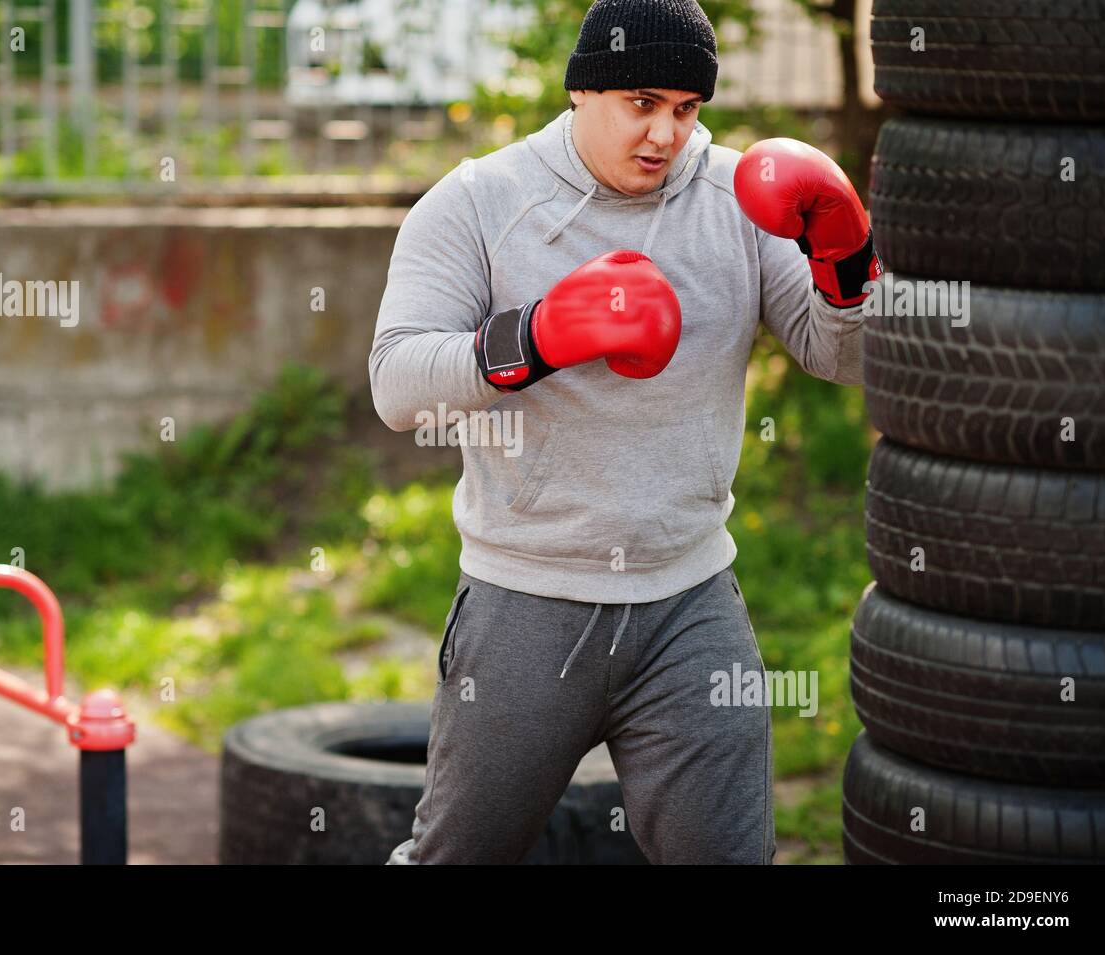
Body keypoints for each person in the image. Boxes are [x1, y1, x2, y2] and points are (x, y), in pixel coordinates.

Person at [369, 0, 879, 864]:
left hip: (690, 600)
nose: (667, 134)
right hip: (525, 597)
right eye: (641, 102)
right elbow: (397, 383)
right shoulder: (479, 202)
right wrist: (536, 338)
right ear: (582, 90)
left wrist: (848, 258)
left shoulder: (736, 198)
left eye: (687, 109)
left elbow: (842, 356)